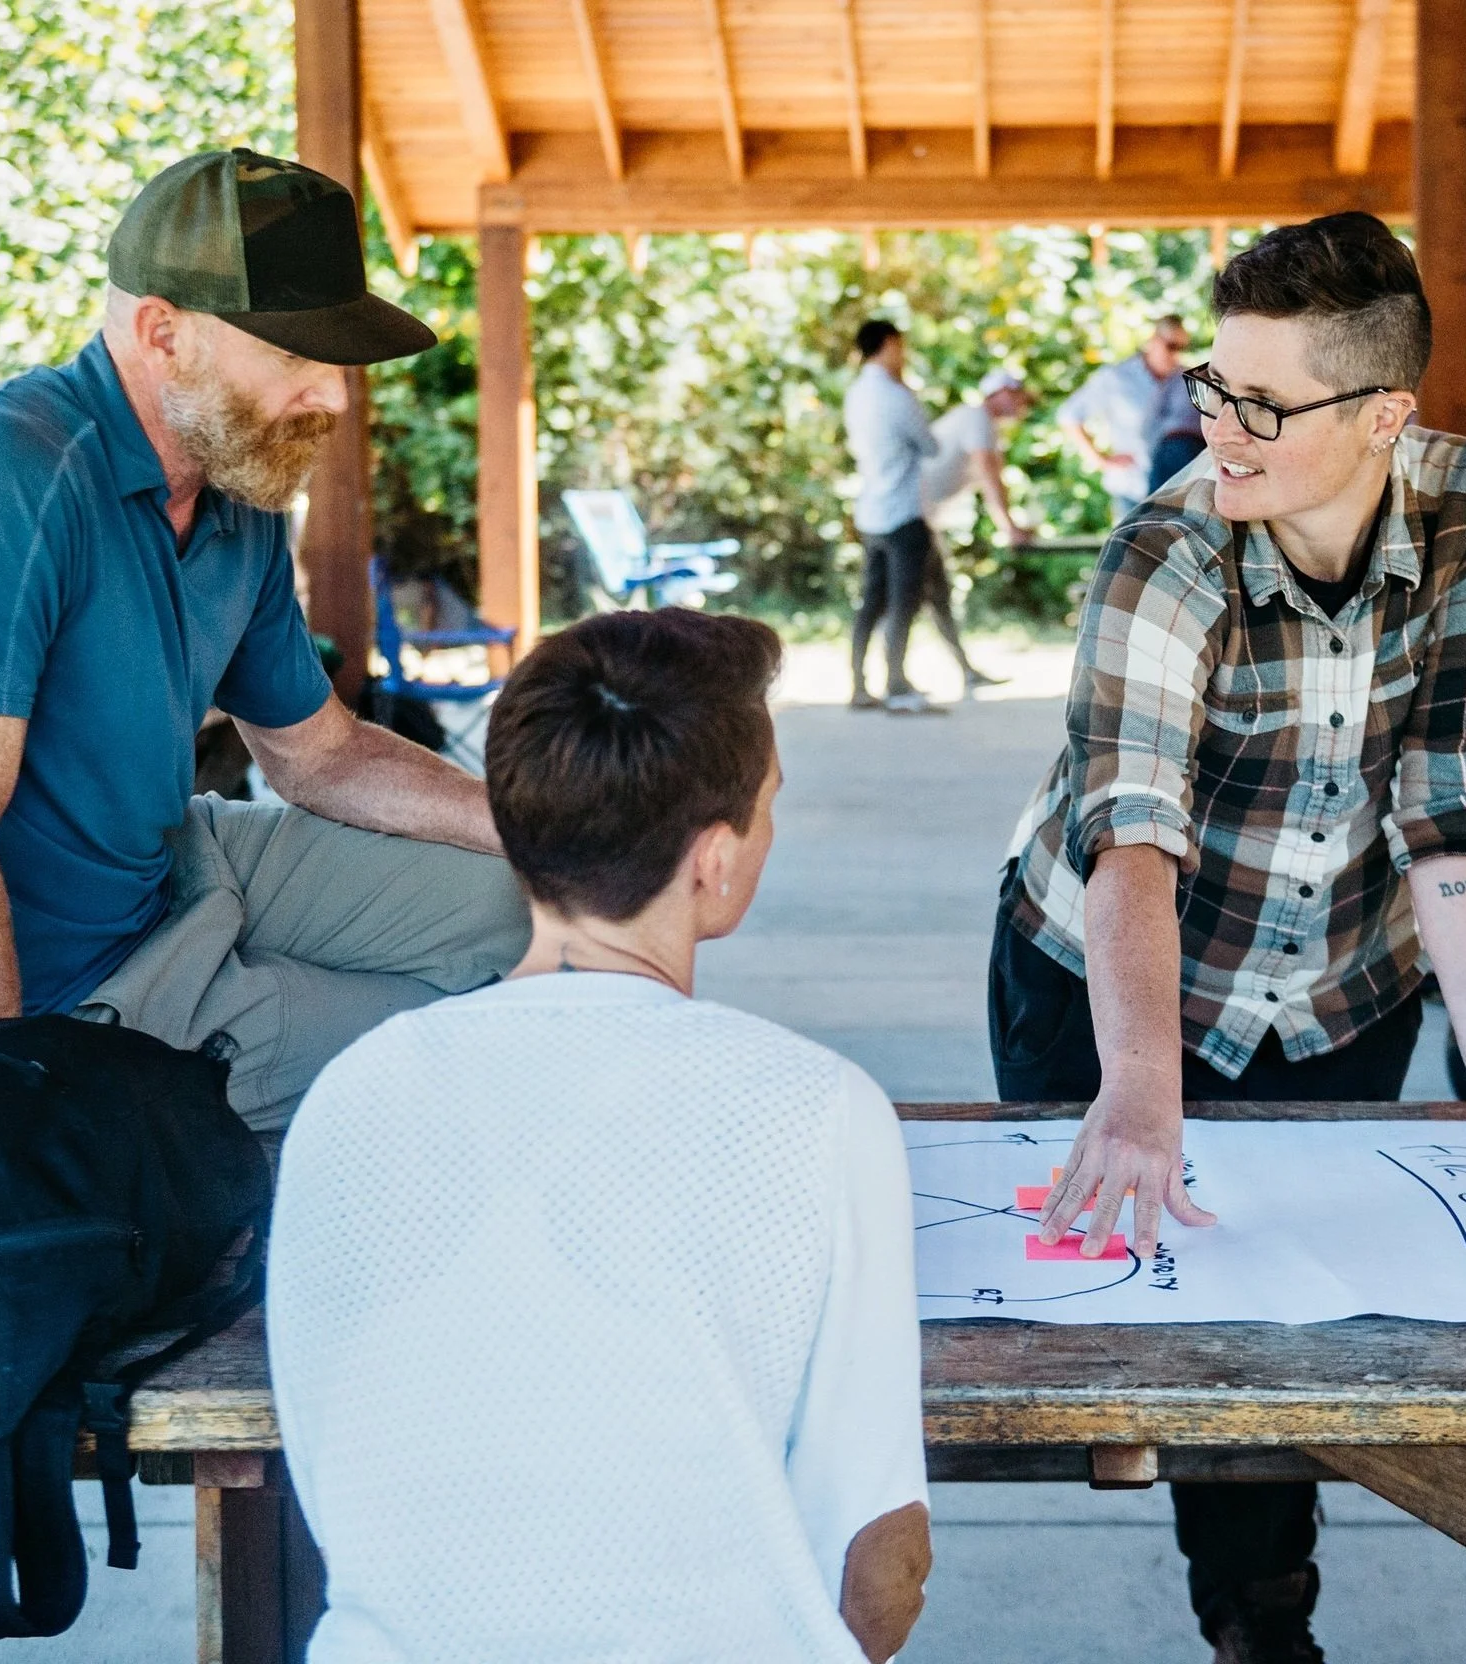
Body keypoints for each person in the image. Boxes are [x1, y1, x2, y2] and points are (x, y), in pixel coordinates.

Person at [991, 212, 1466, 1664]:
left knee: (1272, 1347)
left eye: (1263, 404)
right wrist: (1142, 1088)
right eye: (1215, 385)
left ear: (1386, 415)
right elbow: (1129, 838)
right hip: (1104, 969)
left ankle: (1259, 1629)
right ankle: (1142, 1436)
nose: (1221, 427)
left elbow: (1452, 798)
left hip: (1343, 975)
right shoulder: (1167, 548)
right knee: (1104, 1330)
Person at [268, 608, 932, 1664]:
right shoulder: (814, 1108)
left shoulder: (351, 1092)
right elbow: (877, 1567)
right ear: (713, 860)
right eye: (767, 809)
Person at [0, 149, 530, 1132]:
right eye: (296, 359)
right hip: (76, 978)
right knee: (459, 1064)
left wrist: (546, 822)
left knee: (529, 898)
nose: (336, 400)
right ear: (161, 331)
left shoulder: (239, 485)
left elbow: (320, 753)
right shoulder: (19, 468)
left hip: (178, 861)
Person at [843, 319, 940, 713]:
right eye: (900, 346)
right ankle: (896, 682)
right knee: (904, 602)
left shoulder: (855, 394)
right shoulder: (898, 396)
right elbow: (929, 445)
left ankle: (859, 684)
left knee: (870, 602)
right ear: (887, 345)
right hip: (902, 511)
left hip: (870, 511)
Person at [920, 367, 1034, 694]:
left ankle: (963, 671)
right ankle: (890, 683)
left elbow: (994, 476)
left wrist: (1011, 524)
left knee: (932, 595)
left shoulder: (981, 424)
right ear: (997, 394)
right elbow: (989, 475)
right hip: (910, 516)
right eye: (1014, 393)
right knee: (909, 597)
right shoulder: (976, 418)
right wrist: (1009, 528)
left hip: (922, 518)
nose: (1020, 402)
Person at [1061, 314, 1191, 519]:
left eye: (1183, 348)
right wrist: (1099, 459)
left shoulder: (1185, 379)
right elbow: (1070, 415)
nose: (1176, 354)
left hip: (1174, 488)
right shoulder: (1117, 377)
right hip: (1131, 486)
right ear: (1154, 341)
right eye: (1171, 346)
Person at [1145, 353, 1208, 493]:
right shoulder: (1206, 379)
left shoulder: (1177, 376)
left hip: (1175, 443)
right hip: (1196, 446)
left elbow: (1154, 413)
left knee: (1158, 504)